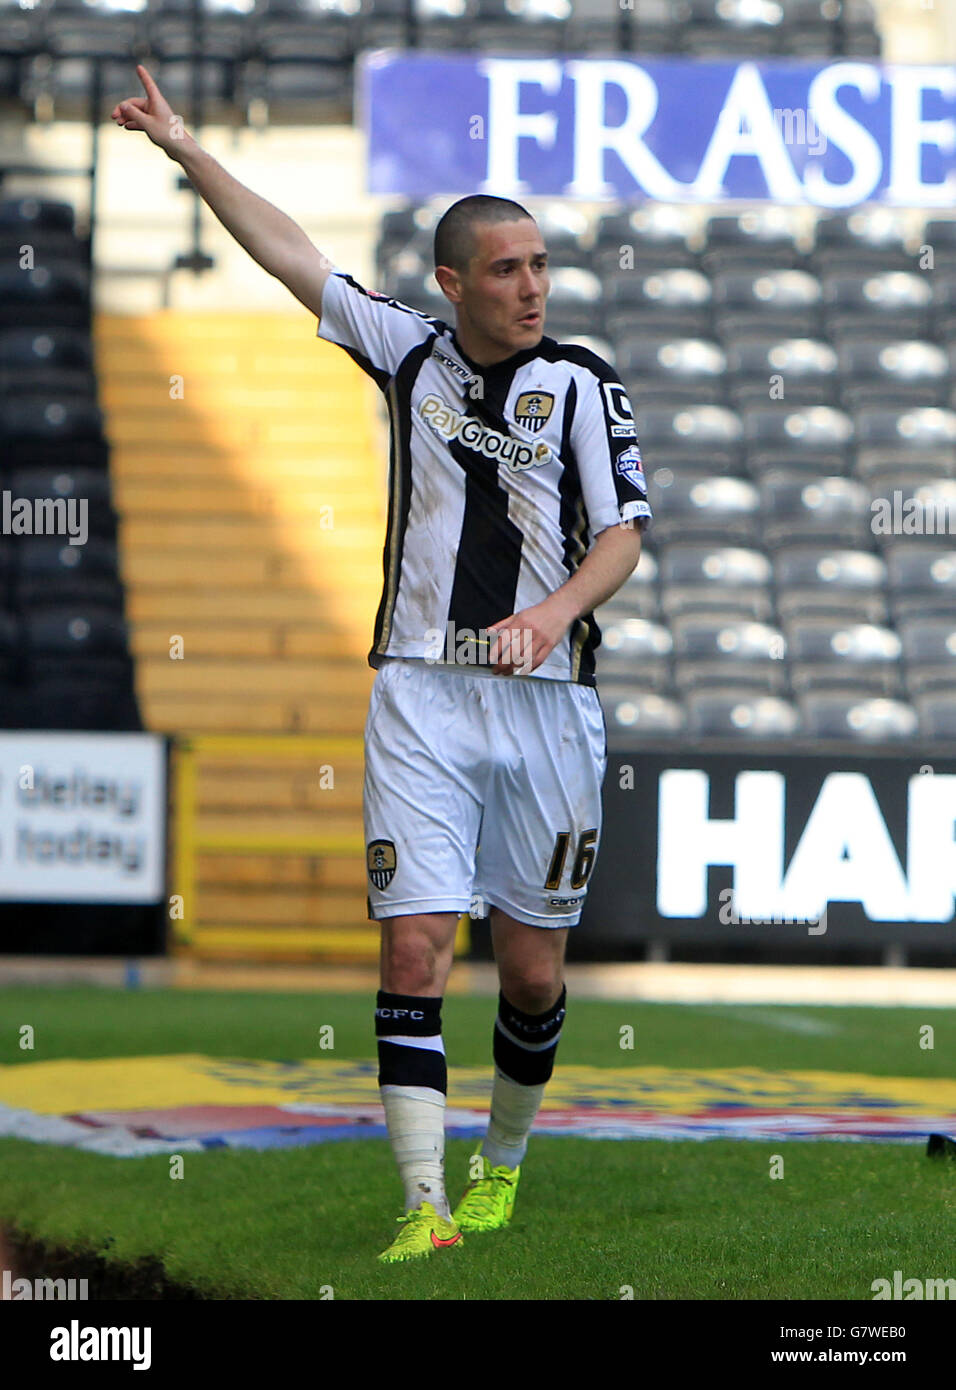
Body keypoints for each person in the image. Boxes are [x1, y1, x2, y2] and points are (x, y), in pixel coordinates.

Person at [111, 65, 652, 1263]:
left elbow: (620, 538)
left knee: (527, 972)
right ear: (453, 283)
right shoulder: (406, 353)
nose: (531, 288)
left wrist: (551, 614)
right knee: (413, 947)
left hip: (546, 705)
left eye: (541, 266)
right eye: (506, 270)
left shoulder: (581, 385)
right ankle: (424, 1204)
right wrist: (186, 147)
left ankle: (500, 1164)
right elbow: (289, 253)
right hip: (417, 689)